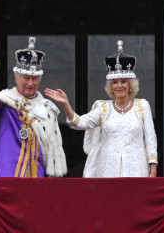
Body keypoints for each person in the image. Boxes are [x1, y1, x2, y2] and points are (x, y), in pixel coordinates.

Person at [44, 40, 158, 178]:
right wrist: (66, 103)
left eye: (123, 81)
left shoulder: (142, 106)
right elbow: (79, 123)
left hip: (137, 170)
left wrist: (153, 168)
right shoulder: (103, 108)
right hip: (107, 170)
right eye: (115, 82)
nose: (119, 86)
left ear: (130, 85)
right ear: (111, 87)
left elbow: (151, 139)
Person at [0, 37, 67, 178]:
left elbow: (51, 149)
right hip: (8, 173)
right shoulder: (6, 101)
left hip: (37, 174)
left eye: (34, 78)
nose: (30, 83)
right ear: (16, 77)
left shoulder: (47, 109)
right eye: (26, 78)